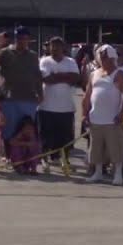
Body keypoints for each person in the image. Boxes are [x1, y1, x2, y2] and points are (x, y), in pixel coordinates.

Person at [83, 45, 123, 185]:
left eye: (105, 56)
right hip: (95, 118)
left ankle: (117, 174)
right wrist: (84, 114)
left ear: (112, 57)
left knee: (115, 148)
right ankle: (98, 173)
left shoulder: (119, 74)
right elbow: (87, 96)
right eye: (101, 56)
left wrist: (121, 113)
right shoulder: (94, 74)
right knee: (96, 148)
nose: (103, 59)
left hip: (112, 119)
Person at [0, 26, 42, 146]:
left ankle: (23, 158)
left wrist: (40, 93)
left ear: (28, 40)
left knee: (26, 130)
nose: (22, 40)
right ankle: (9, 156)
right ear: (15, 38)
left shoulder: (33, 55)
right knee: (8, 130)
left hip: (29, 98)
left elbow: (37, 76)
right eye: (19, 38)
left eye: (25, 38)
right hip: (9, 98)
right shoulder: (5, 52)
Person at [37, 37, 80, 171]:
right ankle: (44, 160)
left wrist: (57, 75)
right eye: (52, 46)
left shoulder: (71, 61)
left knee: (65, 137)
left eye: (57, 46)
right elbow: (46, 79)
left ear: (63, 47)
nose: (54, 48)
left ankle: (65, 159)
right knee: (46, 136)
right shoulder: (44, 61)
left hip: (66, 107)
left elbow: (75, 78)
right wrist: (65, 77)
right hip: (46, 106)